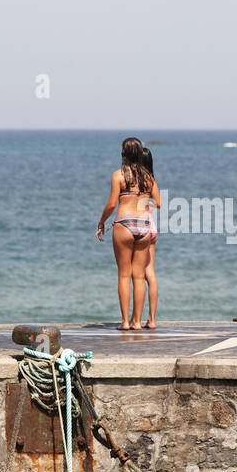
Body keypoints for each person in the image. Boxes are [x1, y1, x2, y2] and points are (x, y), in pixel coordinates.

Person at [94, 136, 160, 331]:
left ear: (123, 154)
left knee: (124, 275)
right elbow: (157, 202)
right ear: (140, 154)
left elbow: (112, 203)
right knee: (139, 276)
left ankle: (124, 322)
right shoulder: (149, 178)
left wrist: (101, 221)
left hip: (124, 223)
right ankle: (137, 322)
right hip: (144, 226)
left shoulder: (119, 175)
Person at [140, 146, 159, 329]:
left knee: (137, 275)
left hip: (140, 229)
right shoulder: (152, 180)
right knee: (150, 273)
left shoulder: (136, 182)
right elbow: (158, 203)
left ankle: (134, 320)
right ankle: (152, 319)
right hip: (152, 228)